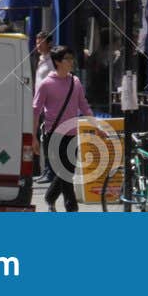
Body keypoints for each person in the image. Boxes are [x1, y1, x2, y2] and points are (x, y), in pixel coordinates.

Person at [33, 45, 92, 211]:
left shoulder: (75, 82)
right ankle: (71, 208)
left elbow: (83, 105)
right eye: (67, 59)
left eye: (72, 59)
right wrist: (33, 137)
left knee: (67, 171)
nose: (71, 62)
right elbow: (36, 110)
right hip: (53, 134)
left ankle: (50, 197)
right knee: (64, 172)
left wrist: (96, 124)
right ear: (57, 62)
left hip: (72, 134)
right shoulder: (46, 84)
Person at [33, 33, 55, 184]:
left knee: (49, 139)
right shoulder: (39, 59)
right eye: (37, 43)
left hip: (49, 106)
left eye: (41, 43)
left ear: (49, 44)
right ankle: (46, 169)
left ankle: (51, 172)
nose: (38, 46)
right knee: (43, 139)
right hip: (39, 105)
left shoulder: (52, 61)